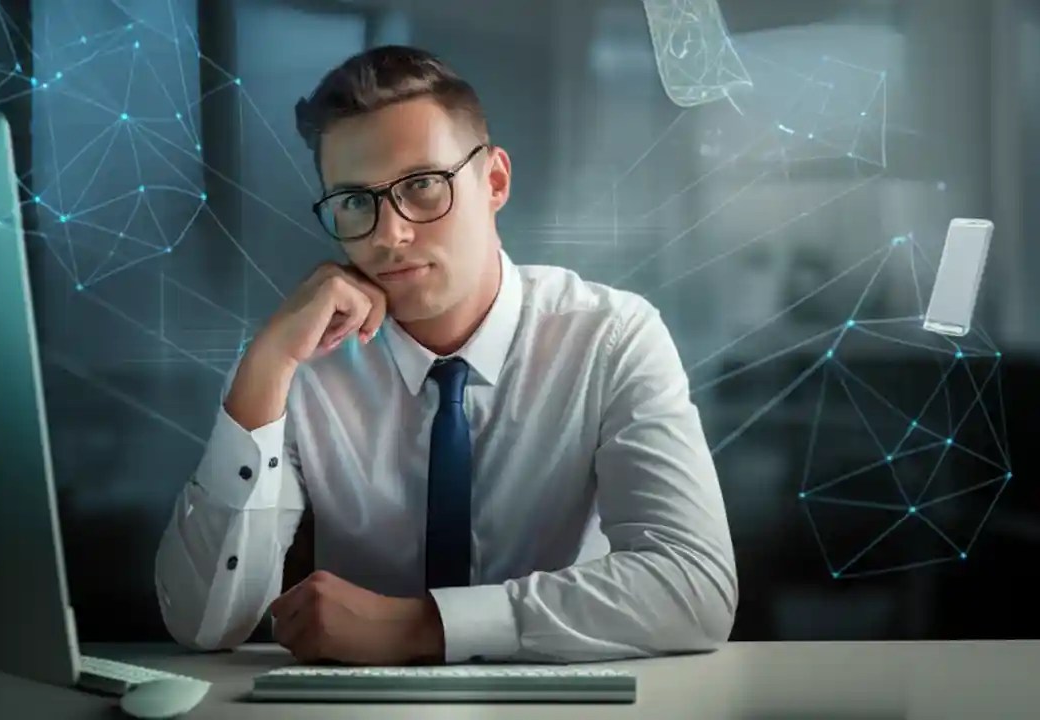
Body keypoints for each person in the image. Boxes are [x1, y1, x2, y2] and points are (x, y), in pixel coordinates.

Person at [154, 44, 737, 666]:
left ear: (494, 182)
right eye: (355, 202)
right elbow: (205, 625)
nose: (390, 234)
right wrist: (264, 368)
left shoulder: (610, 337)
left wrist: (419, 627)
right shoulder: (303, 362)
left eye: (424, 187)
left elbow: (693, 587)